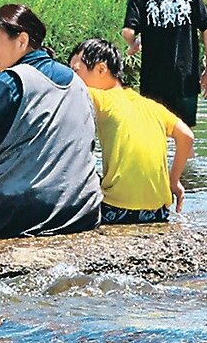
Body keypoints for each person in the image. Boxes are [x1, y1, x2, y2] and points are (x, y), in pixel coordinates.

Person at [0, 4, 101, 240]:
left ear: (21, 40)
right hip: (81, 213)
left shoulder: (5, 84)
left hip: (17, 216)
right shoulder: (77, 82)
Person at [70, 37, 194, 224]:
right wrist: (173, 180)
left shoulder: (97, 97)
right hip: (158, 211)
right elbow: (186, 136)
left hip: (117, 209)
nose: (73, 78)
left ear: (101, 69)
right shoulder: (151, 106)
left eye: (75, 71)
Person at [122, 0, 207, 125]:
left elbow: (127, 31)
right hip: (186, 79)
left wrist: (133, 43)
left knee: (156, 136)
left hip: (153, 82)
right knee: (186, 136)